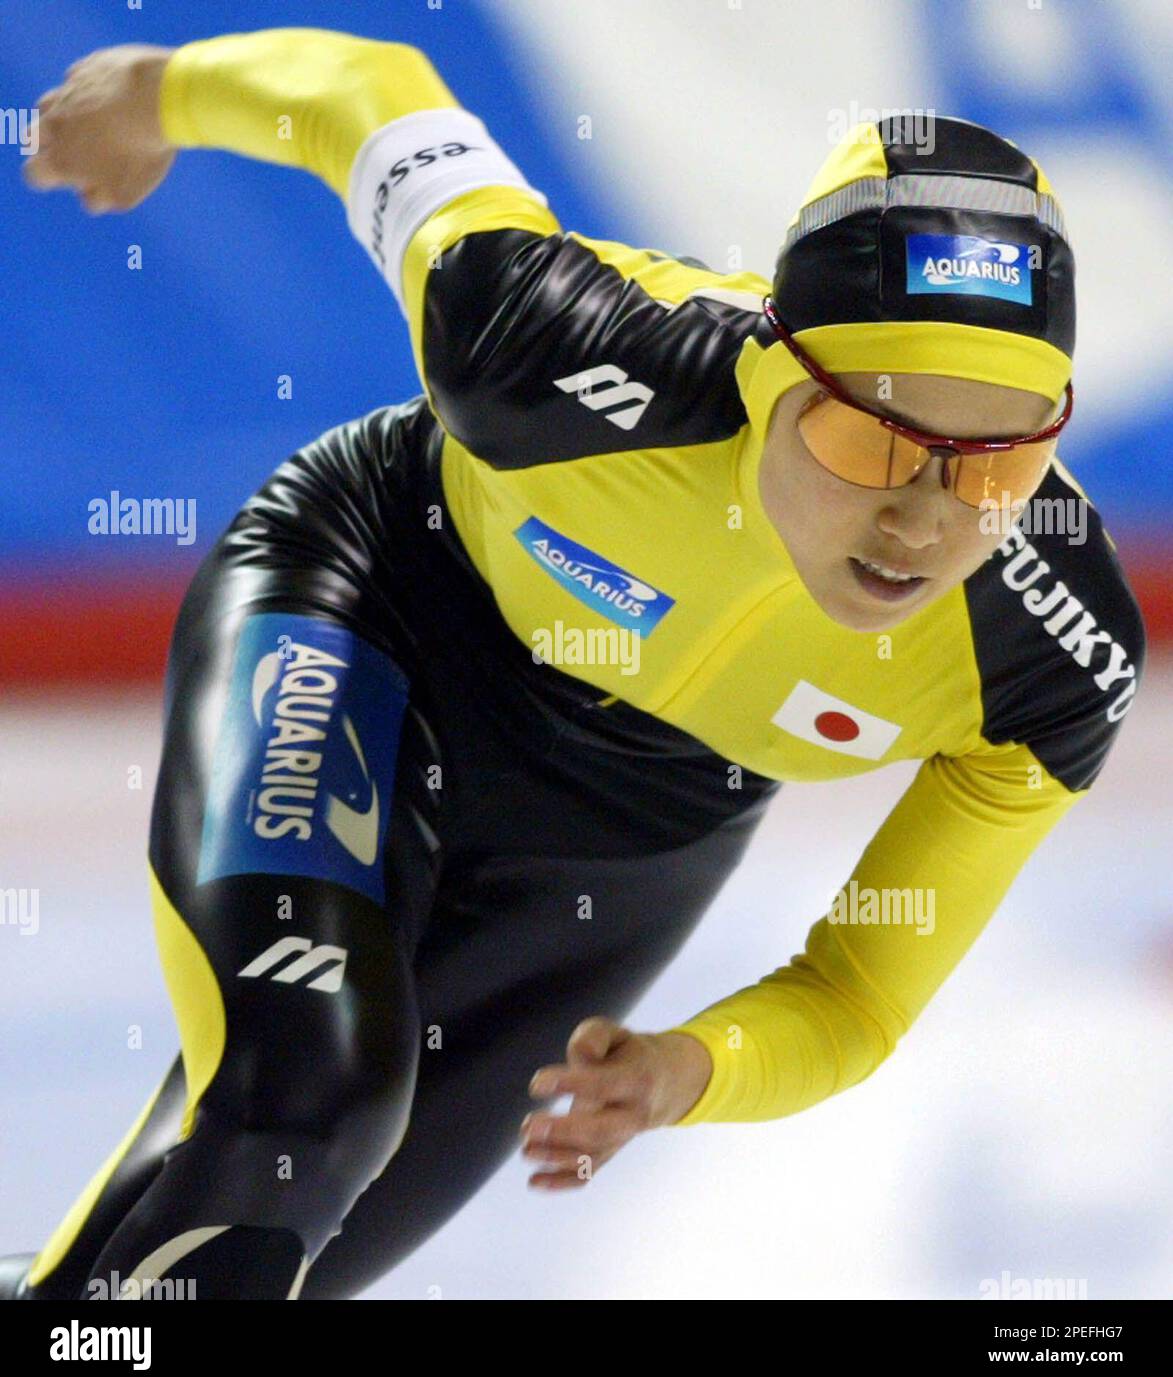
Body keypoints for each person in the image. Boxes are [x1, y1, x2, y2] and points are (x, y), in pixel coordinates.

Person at [1, 28, 1144, 1300]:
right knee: (302, 1110)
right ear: (773, 367)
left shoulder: (1049, 660)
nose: (926, 521)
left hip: (628, 832)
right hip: (379, 606)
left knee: (265, 1257)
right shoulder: (544, 338)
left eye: (995, 467)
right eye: (873, 445)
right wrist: (160, 95)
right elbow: (371, 92)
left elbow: (860, 996)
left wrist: (688, 1069)